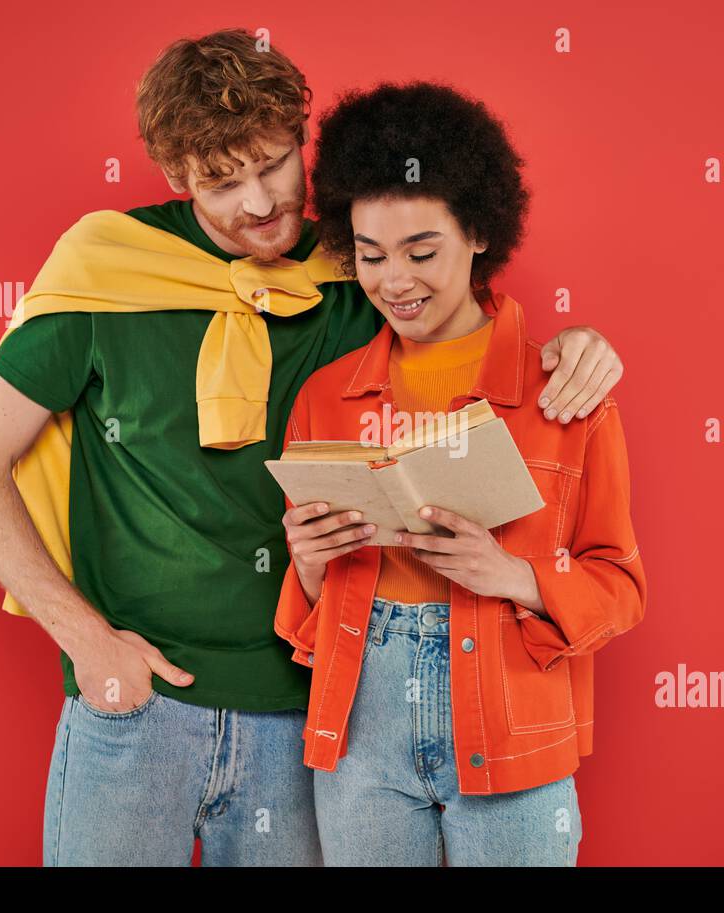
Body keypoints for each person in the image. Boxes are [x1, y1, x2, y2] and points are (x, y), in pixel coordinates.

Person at [0, 31, 627, 867]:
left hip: (309, 726)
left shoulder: (353, 270)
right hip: (138, 703)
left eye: (273, 165)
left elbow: (456, 311)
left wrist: (580, 343)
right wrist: (87, 642)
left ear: (306, 144)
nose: (259, 203)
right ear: (175, 176)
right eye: (221, 182)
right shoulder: (105, 273)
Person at [276, 81, 648, 866]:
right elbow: (305, 620)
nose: (395, 282)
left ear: (478, 232)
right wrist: (309, 562)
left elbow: (622, 589)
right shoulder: (323, 398)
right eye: (371, 256)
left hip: (514, 721)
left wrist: (512, 576)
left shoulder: (567, 393)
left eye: (422, 252)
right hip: (358, 732)